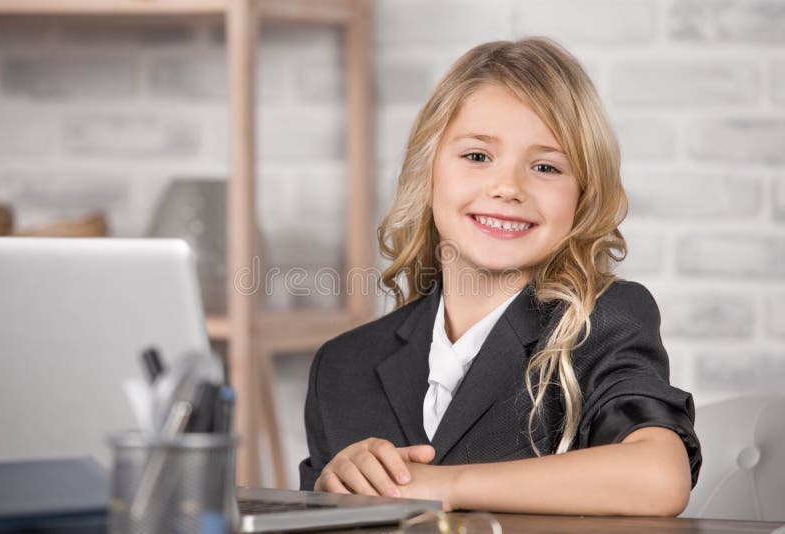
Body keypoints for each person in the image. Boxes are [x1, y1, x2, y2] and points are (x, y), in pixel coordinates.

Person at [298, 37, 701, 516]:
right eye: (476, 156)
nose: (508, 187)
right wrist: (329, 492)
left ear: (581, 198)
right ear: (427, 173)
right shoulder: (342, 367)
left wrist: (442, 485)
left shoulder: (603, 320)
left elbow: (659, 478)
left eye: (546, 166)